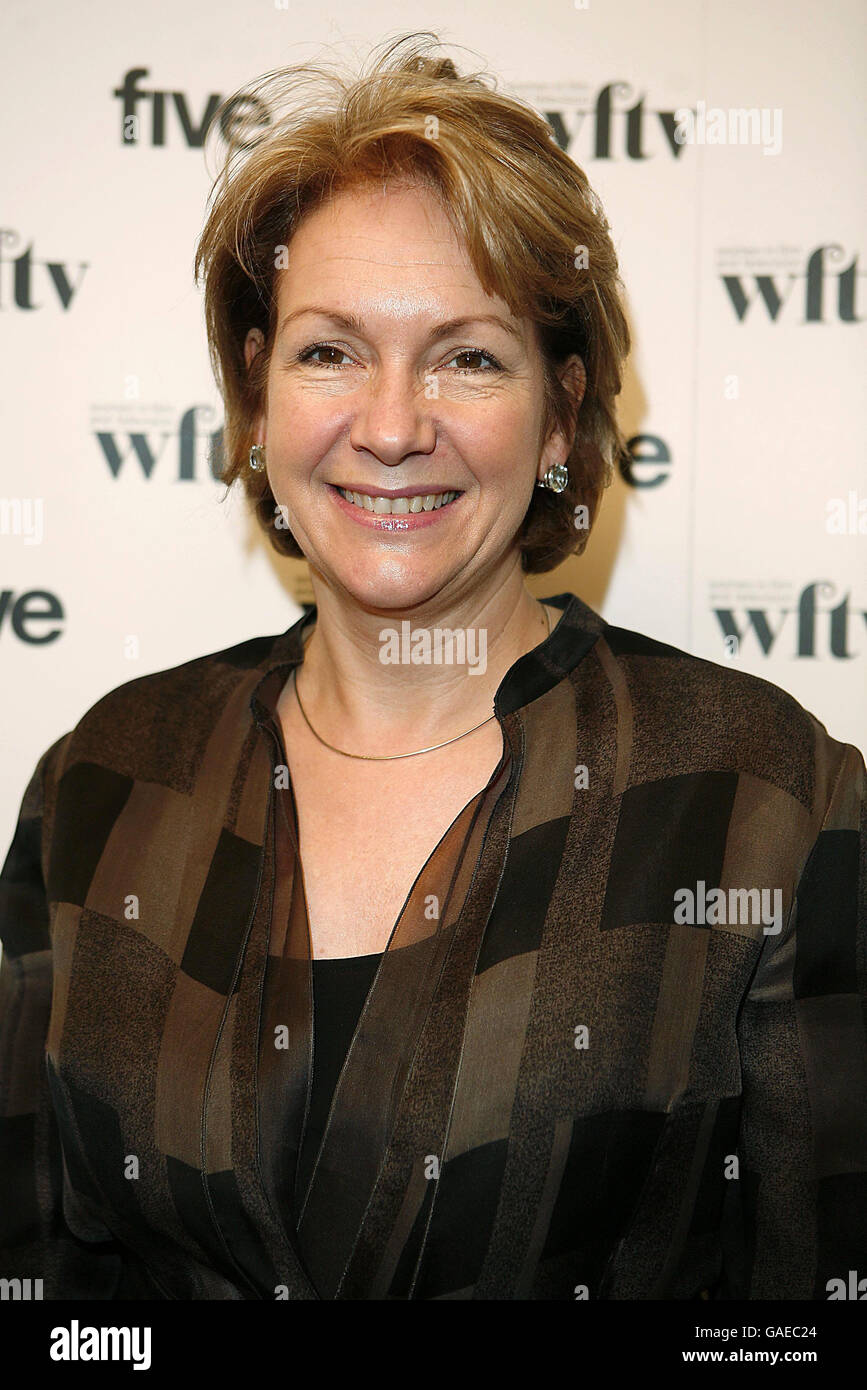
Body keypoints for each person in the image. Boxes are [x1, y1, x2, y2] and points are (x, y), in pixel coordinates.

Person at [0, 31, 864, 1302]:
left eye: (467, 355)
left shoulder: (760, 795)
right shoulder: (108, 777)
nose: (393, 427)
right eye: (329, 350)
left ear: (561, 412)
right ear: (256, 395)